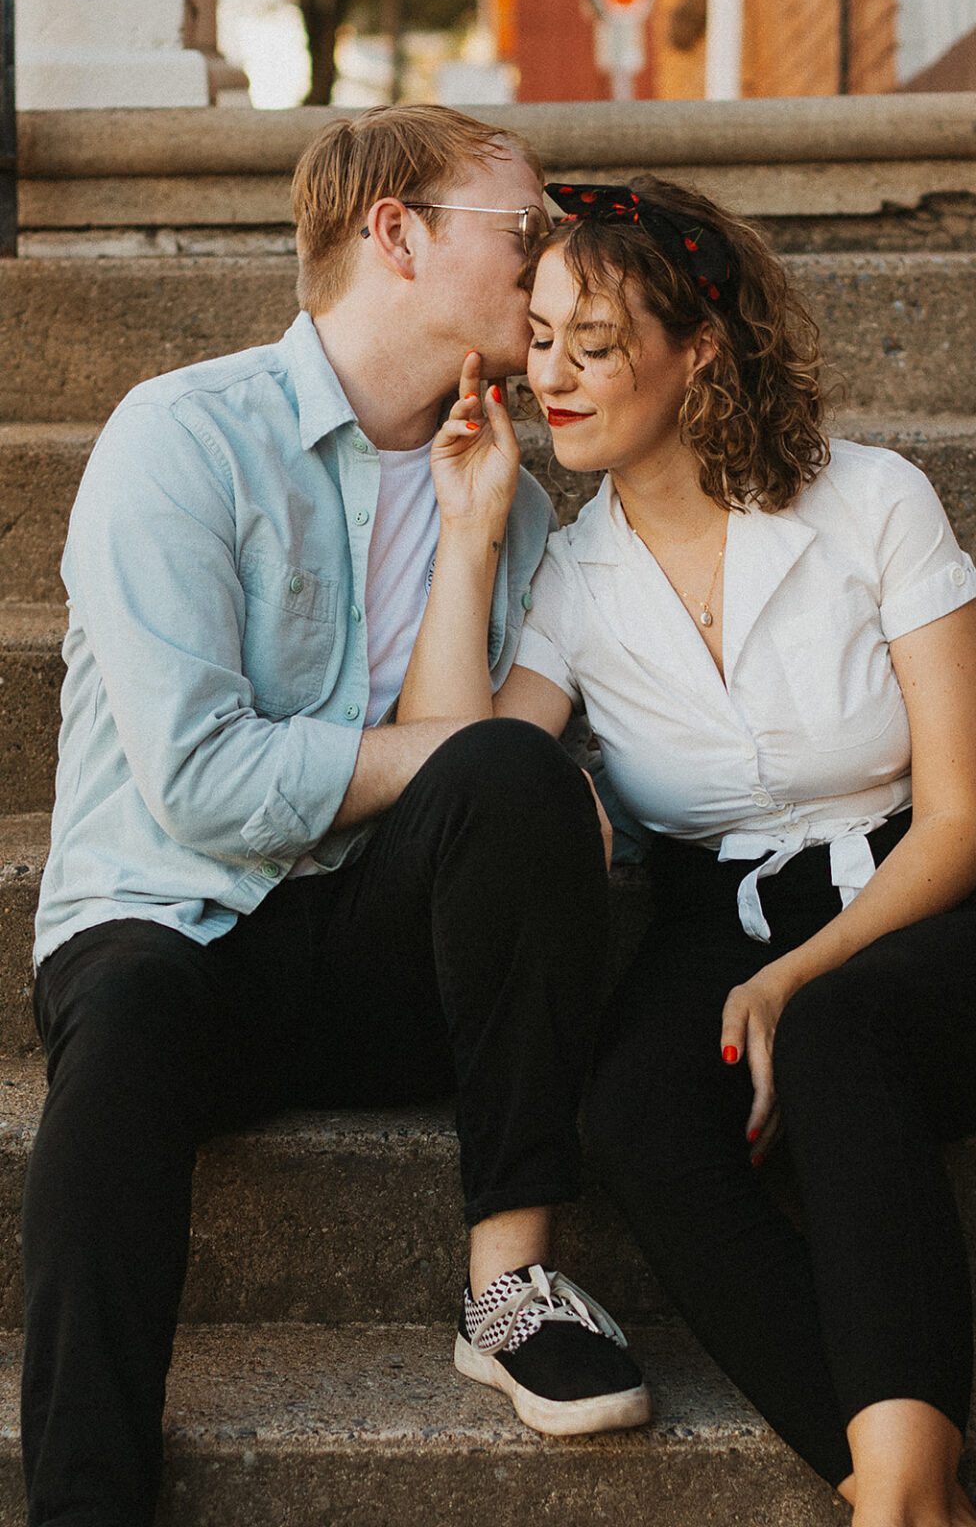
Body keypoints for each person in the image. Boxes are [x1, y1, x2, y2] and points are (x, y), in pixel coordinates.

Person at [22, 109, 652, 1527]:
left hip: (377, 955)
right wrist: (470, 767)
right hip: (172, 931)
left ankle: (508, 1291)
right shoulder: (183, 439)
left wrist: (476, 535)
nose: (554, 261)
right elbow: (201, 782)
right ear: (398, 235)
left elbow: (474, 785)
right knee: (119, 1045)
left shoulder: (513, 499)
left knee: (511, 777)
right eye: (526, 227)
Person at [398, 175, 976, 1526]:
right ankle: (897, 1493)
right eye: (542, 335)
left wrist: (799, 978)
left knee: (846, 1035)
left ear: (699, 353)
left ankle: (906, 1496)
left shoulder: (873, 506)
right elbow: (469, 777)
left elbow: (967, 813)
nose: (548, 375)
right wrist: (468, 530)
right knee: (630, 1111)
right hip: (718, 918)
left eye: (595, 345)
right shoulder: (574, 575)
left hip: (934, 895)